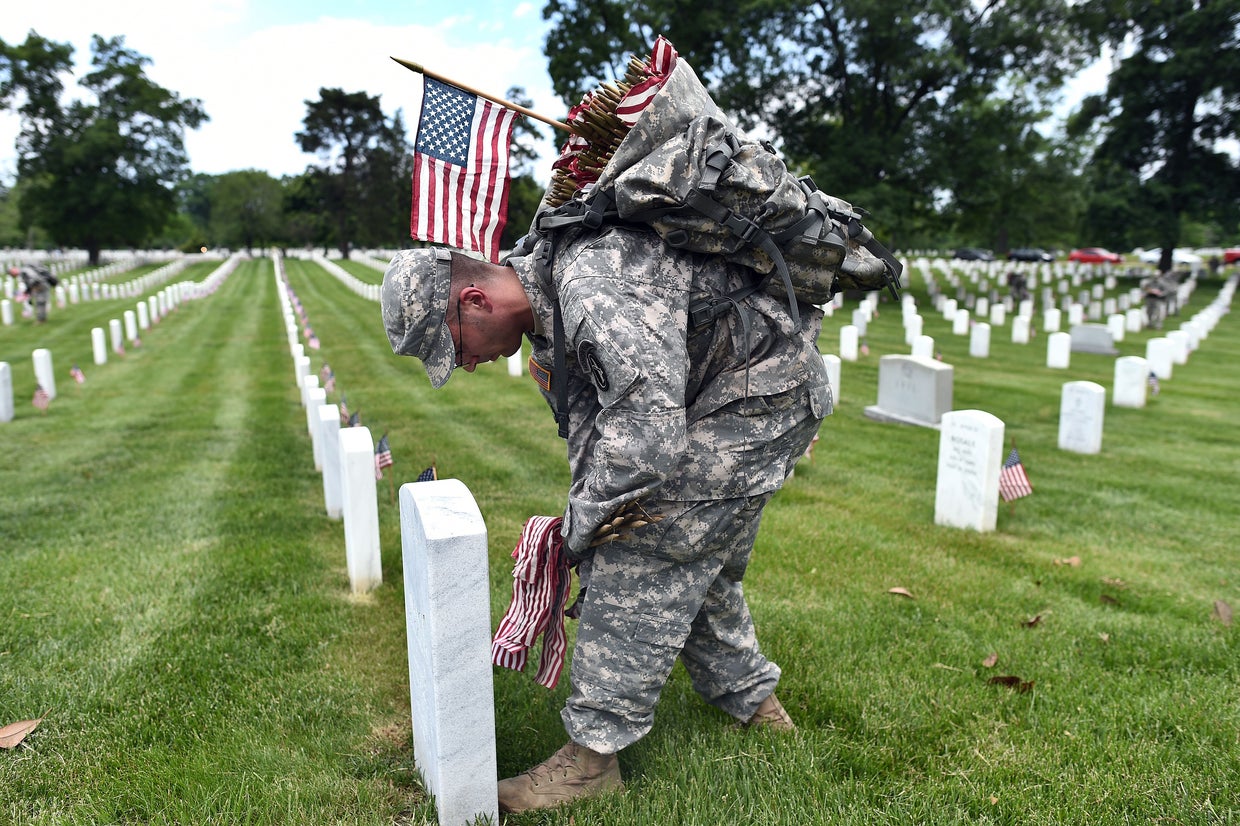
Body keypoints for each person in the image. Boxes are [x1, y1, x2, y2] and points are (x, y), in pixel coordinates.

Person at [381, 221, 831, 813]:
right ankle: (754, 703)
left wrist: (588, 530)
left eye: (456, 348)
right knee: (692, 555)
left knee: (651, 550)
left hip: (759, 393)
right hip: (711, 396)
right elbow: (594, 436)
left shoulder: (592, 285)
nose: (465, 365)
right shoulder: (548, 326)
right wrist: (585, 524)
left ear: (474, 299)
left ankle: (591, 761)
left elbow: (649, 437)